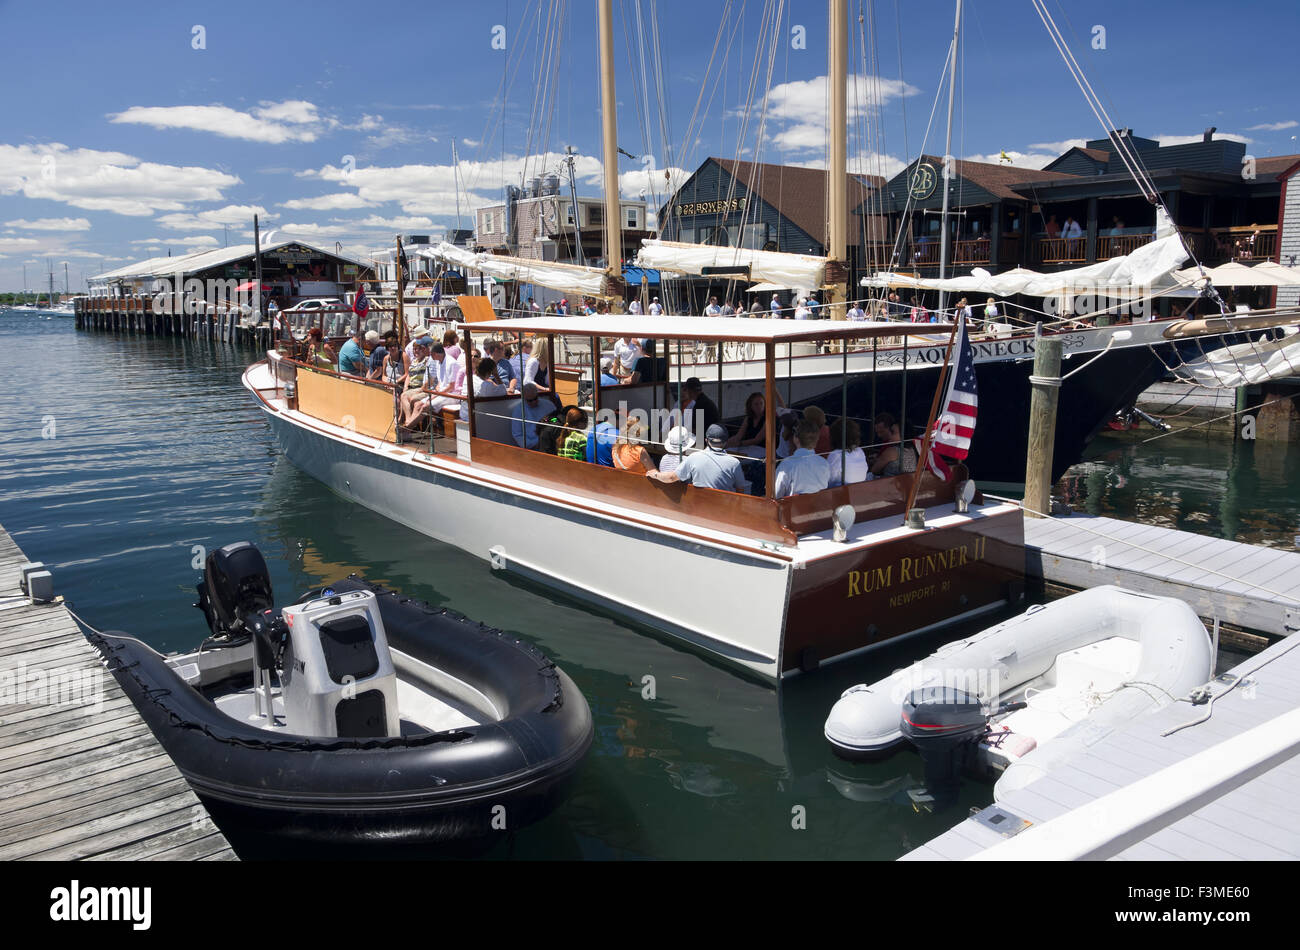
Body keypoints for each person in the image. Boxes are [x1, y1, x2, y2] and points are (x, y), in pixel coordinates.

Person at [649, 424, 749, 494]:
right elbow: (740, 490)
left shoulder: (693, 457)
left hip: (698, 507)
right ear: (726, 442)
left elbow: (671, 478)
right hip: (723, 509)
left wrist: (654, 474)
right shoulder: (734, 463)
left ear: (706, 440)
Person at [774, 418, 830, 498]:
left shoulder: (787, 464)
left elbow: (776, 495)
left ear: (796, 439)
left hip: (792, 509)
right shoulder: (825, 463)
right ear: (816, 440)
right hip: (819, 507)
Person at [397, 337, 435, 429]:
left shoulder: (428, 360)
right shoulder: (414, 361)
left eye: (419, 349)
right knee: (403, 396)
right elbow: (409, 375)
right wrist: (406, 386)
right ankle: (407, 421)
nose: (416, 351)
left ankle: (406, 423)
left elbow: (429, 380)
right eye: (414, 349)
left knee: (408, 398)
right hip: (413, 387)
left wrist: (420, 390)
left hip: (421, 388)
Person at [870, 412, 917, 477]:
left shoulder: (892, 451)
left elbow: (874, 470)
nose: (890, 435)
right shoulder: (913, 449)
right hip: (906, 483)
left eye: (893, 432)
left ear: (903, 435)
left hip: (888, 485)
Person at [826, 417, 869, 487]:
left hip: (841, 493)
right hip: (859, 490)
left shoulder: (835, 455)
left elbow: (829, 479)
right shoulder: (860, 451)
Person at [462, 355, 508, 421]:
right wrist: (496, 375)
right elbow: (503, 391)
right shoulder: (487, 386)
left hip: (464, 414)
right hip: (477, 418)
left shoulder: (467, 378)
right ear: (490, 372)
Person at [510, 383, 551, 450]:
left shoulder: (548, 405)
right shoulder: (518, 411)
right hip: (532, 447)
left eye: (535, 398)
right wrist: (533, 445)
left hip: (549, 443)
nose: (534, 402)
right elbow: (517, 435)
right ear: (524, 398)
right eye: (530, 400)